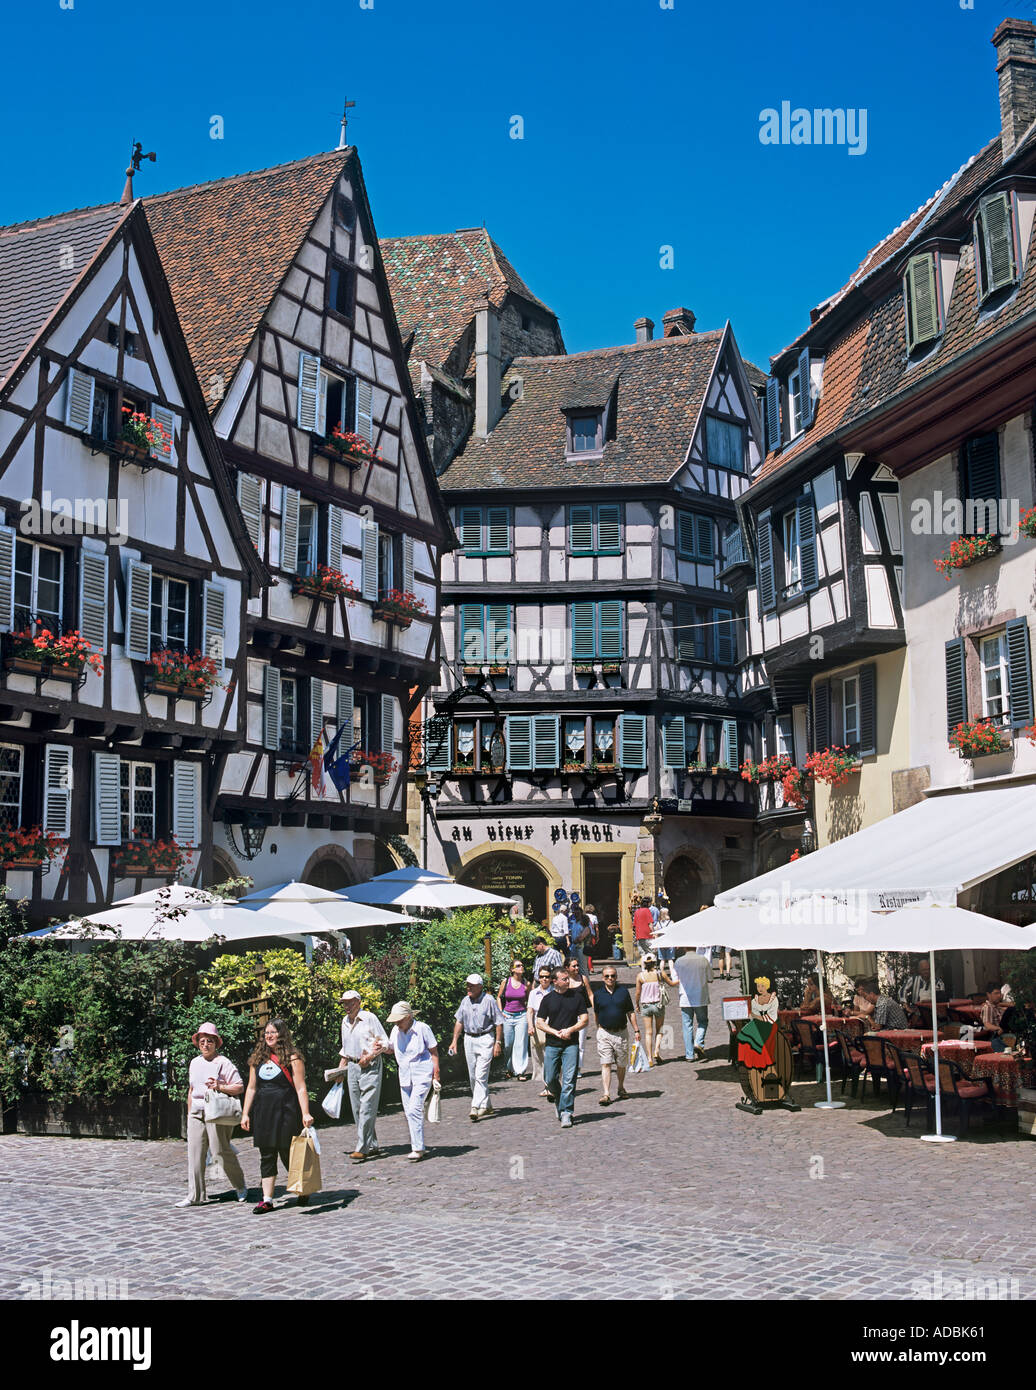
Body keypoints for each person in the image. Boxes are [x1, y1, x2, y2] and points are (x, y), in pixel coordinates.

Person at [241, 1018, 314, 1213]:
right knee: (266, 1155)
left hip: (286, 1111)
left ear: (282, 1034)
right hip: (264, 1113)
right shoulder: (257, 1059)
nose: (269, 1036)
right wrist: (245, 1113)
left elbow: (300, 1088)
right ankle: (267, 1199)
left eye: (273, 1032)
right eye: (266, 1033)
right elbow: (251, 1088)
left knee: (287, 1153)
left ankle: (301, 1189)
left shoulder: (293, 1058)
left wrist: (305, 1113)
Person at [177, 1021, 248, 1207]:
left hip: (215, 1112)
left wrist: (220, 1086)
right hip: (196, 1112)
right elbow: (192, 1089)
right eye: (202, 1041)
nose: (205, 1044)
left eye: (209, 1041)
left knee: (220, 1151)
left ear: (216, 1043)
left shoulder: (223, 1063)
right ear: (197, 1043)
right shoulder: (194, 1063)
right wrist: (189, 1111)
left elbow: (239, 1086)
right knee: (195, 1154)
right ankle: (195, 1196)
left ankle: (240, 1186)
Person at [338, 989, 388, 1164]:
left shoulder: (369, 1018)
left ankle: (362, 1148)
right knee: (357, 1108)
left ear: (358, 1002)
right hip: (352, 1066)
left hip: (370, 1066)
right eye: (344, 1003)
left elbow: (385, 1042)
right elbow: (345, 1049)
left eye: (350, 1002)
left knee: (367, 1106)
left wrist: (370, 1056)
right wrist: (340, 1070)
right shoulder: (344, 1021)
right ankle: (372, 1144)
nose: (347, 1006)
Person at [386, 1001, 439, 1161]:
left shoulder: (422, 1028)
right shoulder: (395, 1030)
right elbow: (391, 1049)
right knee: (409, 1112)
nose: (397, 1023)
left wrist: (436, 1075)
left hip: (422, 1073)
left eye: (399, 1020)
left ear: (409, 1017)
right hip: (404, 1075)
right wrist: (381, 1048)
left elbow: (434, 1052)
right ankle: (418, 1145)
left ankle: (418, 1148)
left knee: (414, 1109)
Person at [448, 974, 504, 1120]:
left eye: (472, 986)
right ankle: (487, 1106)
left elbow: (499, 1022)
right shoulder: (465, 1001)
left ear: (480, 987)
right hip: (469, 1039)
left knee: (481, 1075)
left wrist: (497, 1043)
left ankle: (475, 1105)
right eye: (467, 985)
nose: (468, 988)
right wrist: (454, 1040)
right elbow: (459, 1021)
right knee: (473, 1076)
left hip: (485, 1038)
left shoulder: (489, 1000)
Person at [538, 967, 588, 1127]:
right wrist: (555, 1032)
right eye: (564, 979)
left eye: (568, 978)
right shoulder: (547, 999)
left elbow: (585, 1019)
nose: (568, 981)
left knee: (569, 1080)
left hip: (571, 1044)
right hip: (553, 1044)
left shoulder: (577, 997)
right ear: (555, 981)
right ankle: (559, 1101)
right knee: (550, 1078)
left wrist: (570, 1030)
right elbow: (539, 1022)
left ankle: (566, 1112)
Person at [592, 965, 639, 1103]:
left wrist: (636, 1030)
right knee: (605, 1063)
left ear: (616, 977)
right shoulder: (598, 994)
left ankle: (620, 1087)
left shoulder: (623, 992)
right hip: (604, 1032)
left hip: (621, 1032)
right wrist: (598, 1029)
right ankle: (606, 1093)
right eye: (607, 976)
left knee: (621, 1063)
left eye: (612, 976)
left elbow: (630, 1012)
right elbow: (596, 1014)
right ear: (602, 978)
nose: (610, 978)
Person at [671, 948, 711, 1061]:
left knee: (687, 1025)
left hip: (685, 997)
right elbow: (710, 978)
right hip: (700, 996)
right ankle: (698, 1042)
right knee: (703, 1021)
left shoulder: (679, 961)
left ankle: (689, 1054)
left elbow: (675, 979)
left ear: (685, 948)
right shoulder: (703, 960)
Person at [497, 958, 532, 1079]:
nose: (521, 967)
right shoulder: (506, 982)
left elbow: (529, 1001)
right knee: (508, 1045)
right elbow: (498, 997)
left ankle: (520, 1071)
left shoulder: (526, 983)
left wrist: (528, 1014)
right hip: (507, 1016)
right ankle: (509, 1068)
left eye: (522, 965)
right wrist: (501, 1012)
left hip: (521, 1016)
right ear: (512, 969)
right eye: (518, 966)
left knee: (520, 1044)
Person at [634, 952, 667, 1065]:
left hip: (646, 1006)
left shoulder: (640, 976)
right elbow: (670, 983)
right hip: (658, 1004)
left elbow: (638, 993)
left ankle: (649, 1058)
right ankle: (656, 1051)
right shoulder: (659, 974)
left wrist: (637, 1004)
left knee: (648, 1032)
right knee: (660, 1029)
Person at [527, 965, 554, 1090]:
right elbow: (530, 1011)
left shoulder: (555, 992)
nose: (544, 979)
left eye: (547, 977)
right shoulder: (533, 993)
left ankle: (551, 1086)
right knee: (539, 1057)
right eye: (541, 977)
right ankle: (546, 1086)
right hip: (538, 1027)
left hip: (552, 1027)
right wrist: (530, 1026)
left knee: (550, 1057)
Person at [564, 956, 593, 1071]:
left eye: (577, 965)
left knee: (580, 1043)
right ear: (567, 968)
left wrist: (596, 1008)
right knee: (568, 1041)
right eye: (574, 966)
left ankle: (578, 1068)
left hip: (581, 1015)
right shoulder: (565, 980)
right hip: (567, 1015)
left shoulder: (583, 978)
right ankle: (568, 1066)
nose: (577, 968)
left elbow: (590, 994)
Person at [583, 902, 599, 973]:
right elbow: (597, 928)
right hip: (591, 935)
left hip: (584, 935)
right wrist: (597, 936)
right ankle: (591, 968)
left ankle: (586, 967)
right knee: (590, 952)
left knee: (584, 952)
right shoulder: (594, 917)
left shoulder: (583, 917)